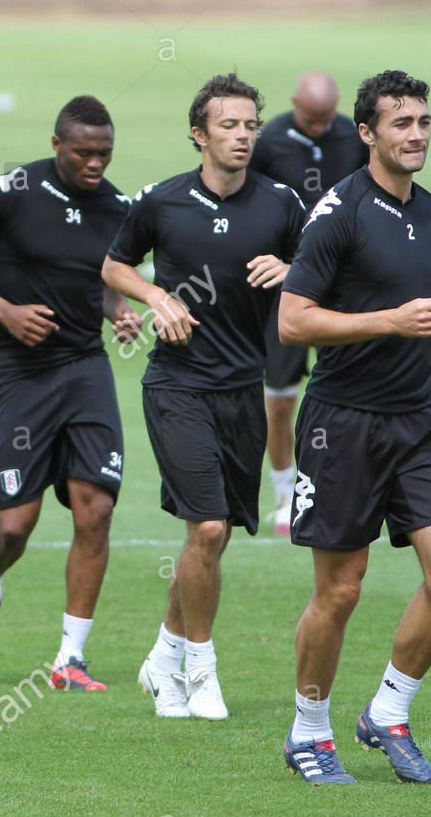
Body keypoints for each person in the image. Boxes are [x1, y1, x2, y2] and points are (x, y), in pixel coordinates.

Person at [278, 71, 431, 785]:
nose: (416, 134)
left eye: (423, 121)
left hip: (418, 419)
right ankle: (308, 732)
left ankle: (388, 711)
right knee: (341, 589)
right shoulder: (337, 213)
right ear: (367, 134)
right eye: (401, 124)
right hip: (342, 424)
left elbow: (408, 306)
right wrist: (392, 320)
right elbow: (293, 319)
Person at [102, 73, 306, 720]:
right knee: (208, 525)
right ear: (199, 134)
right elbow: (113, 265)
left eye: (250, 126)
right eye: (229, 125)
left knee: (209, 542)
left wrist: (293, 270)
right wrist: (157, 298)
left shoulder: (280, 205)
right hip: (176, 386)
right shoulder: (162, 202)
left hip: (242, 391)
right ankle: (200, 670)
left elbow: (326, 272)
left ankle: (162, 656)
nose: (243, 136)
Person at [0, 96, 138, 689]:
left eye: (104, 153)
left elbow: (106, 279)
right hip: (21, 374)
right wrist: (6, 311)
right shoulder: (13, 191)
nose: (95, 164)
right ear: (57, 146)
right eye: (83, 153)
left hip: (85, 367)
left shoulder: (117, 208)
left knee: (95, 509)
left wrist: (119, 311)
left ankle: (70, 658)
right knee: (14, 527)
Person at [250, 71, 368, 535]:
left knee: (350, 394)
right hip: (285, 289)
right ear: (294, 101)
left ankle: (338, 490)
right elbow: (253, 205)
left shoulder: (356, 135)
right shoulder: (269, 140)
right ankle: (284, 496)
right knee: (279, 401)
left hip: (343, 291)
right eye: (309, 119)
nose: (318, 128)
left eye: (325, 119)